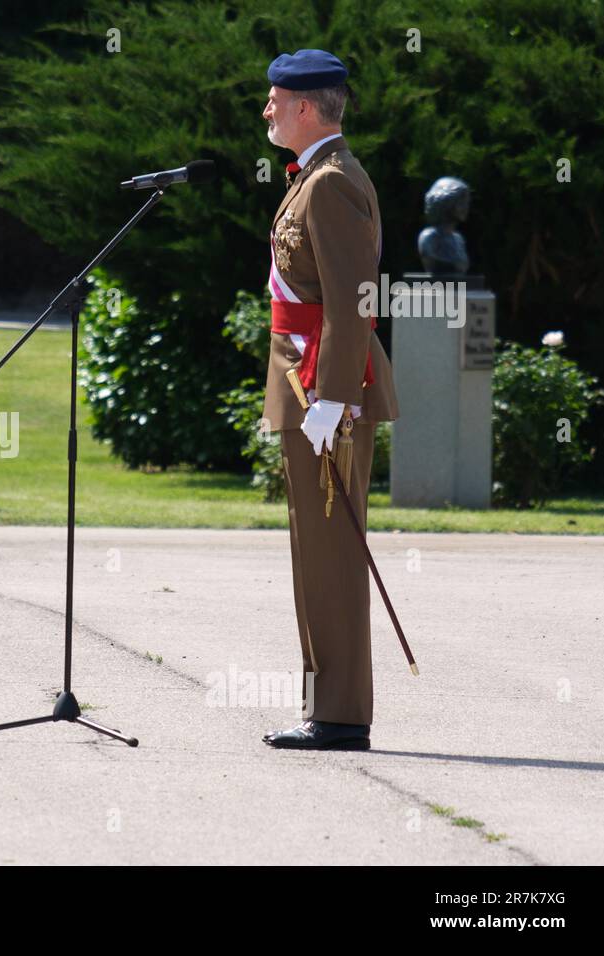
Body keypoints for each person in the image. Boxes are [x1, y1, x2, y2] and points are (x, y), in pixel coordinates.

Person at [258, 51, 399, 750]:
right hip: (304, 380)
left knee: (332, 553)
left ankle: (340, 715)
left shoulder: (333, 183)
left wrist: (335, 398)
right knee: (315, 553)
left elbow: (355, 302)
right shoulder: (313, 177)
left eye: (276, 101)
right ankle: (326, 706)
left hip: (323, 388)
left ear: (308, 106)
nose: (267, 112)